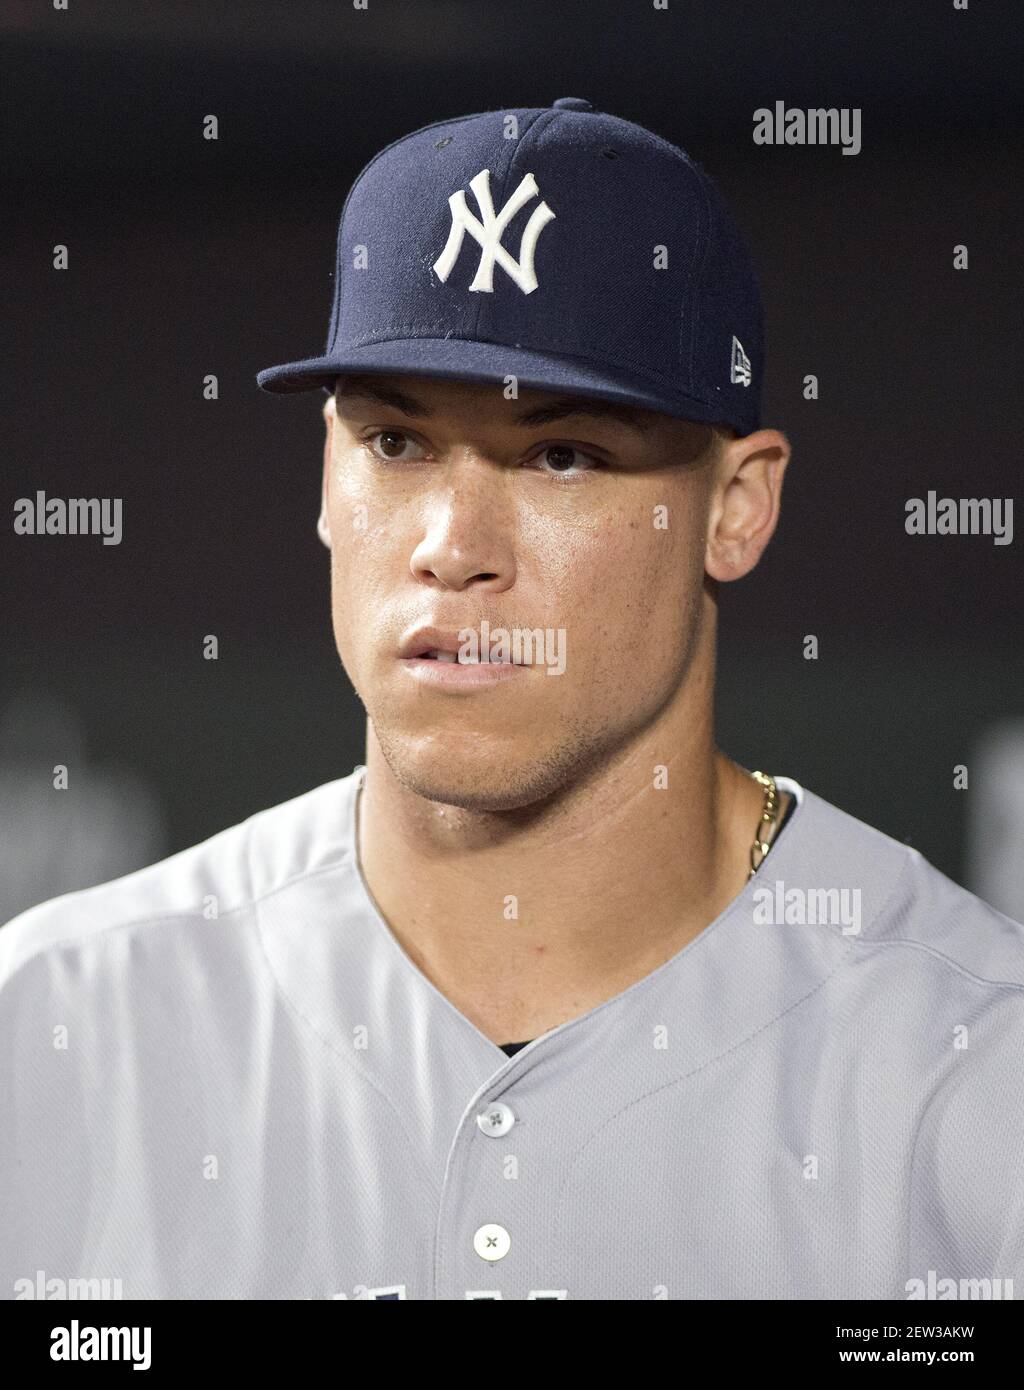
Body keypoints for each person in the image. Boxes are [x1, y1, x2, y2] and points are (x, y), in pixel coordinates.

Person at [2, 100, 1021, 1302]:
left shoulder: (974, 1065)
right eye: (394, 441)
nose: (451, 545)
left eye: (562, 454)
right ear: (323, 479)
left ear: (736, 507)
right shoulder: (52, 1024)